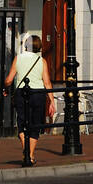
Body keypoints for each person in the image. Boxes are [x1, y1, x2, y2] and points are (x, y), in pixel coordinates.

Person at [4, 33, 55, 165]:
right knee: (35, 124)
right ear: (39, 47)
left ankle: (26, 152)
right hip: (38, 94)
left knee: (21, 123)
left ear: (26, 45)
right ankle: (30, 154)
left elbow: (9, 80)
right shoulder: (42, 61)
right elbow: (47, 82)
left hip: (22, 93)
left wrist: (6, 88)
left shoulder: (18, 58)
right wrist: (52, 101)